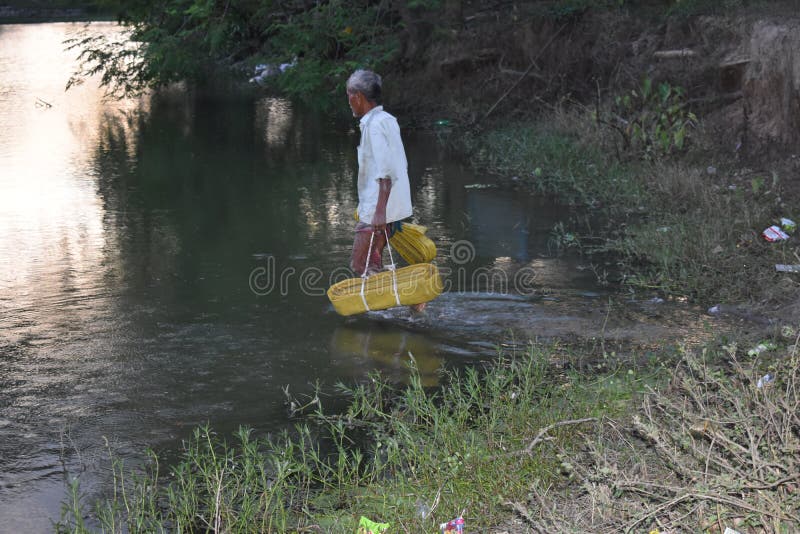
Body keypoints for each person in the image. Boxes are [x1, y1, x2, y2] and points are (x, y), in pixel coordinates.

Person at [345, 69, 425, 312]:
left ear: (358, 97)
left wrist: (379, 213)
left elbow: (386, 172)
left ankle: (412, 300)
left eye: (349, 96)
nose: (349, 101)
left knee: (362, 264)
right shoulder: (386, 120)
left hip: (378, 209)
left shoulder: (375, 126)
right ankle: (404, 307)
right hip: (390, 208)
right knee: (372, 264)